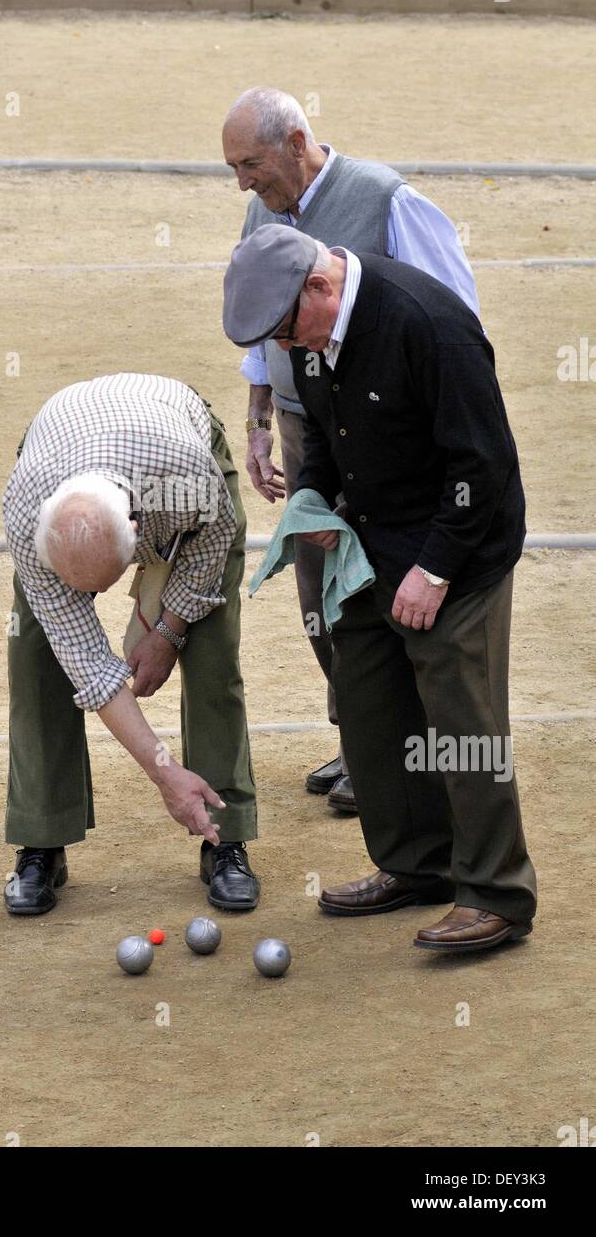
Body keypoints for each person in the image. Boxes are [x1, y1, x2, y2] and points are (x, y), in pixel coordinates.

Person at [223, 226, 536, 953]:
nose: (288, 350)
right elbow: (328, 443)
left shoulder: (426, 323)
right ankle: (414, 866)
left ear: (320, 288)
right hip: (371, 545)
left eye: (286, 331)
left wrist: (435, 570)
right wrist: (314, 501)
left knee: (462, 728)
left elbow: (480, 461)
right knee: (369, 705)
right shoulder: (310, 340)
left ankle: (495, 894)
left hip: (457, 549)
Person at [222, 86, 479, 813]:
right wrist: (258, 419)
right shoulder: (261, 212)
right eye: (234, 168)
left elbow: (451, 318)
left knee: (381, 593)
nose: (242, 182)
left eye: (250, 164)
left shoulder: (385, 200)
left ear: (296, 144)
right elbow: (258, 322)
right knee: (321, 600)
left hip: (385, 435)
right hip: (312, 437)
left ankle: (403, 758)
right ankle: (359, 741)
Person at [1, 372, 260, 916]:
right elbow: (91, 666)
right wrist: (165, 774)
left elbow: (208, 556)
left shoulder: (192, 481)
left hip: (175, 436)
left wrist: (167, 632)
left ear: (140, 530)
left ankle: (225, 834)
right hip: (61, 438)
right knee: (38, 658)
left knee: (212, 654)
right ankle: (42, 840)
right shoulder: (28, 513)